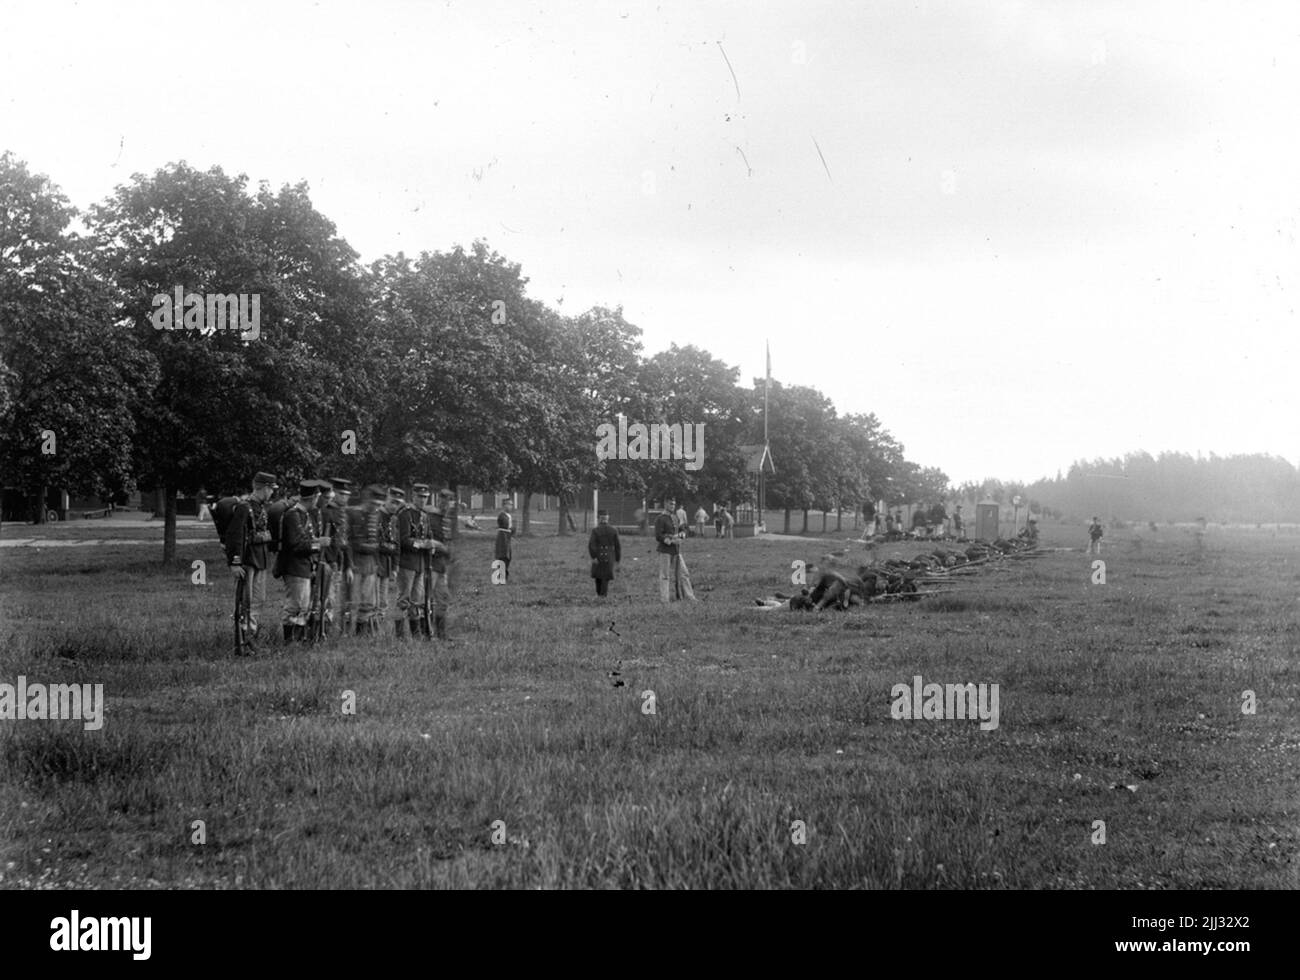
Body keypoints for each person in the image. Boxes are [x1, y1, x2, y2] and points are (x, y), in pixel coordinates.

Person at [222, 471, 277, 652]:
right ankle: (243, 640)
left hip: (260, 559)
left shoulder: (260, 507)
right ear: (264, 488)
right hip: (247, 560)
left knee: (258, 600)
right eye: (271, 489)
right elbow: (234, 536)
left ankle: (251, 636)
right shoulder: (245, 507)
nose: (272, 493)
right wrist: (235, 563)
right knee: (246, 602)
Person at [276, 480, 328, 643]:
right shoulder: (293, 515)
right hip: (294, 567)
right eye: (317, 497)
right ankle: (290, 642)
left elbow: (306, 539)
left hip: (304, 566)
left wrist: (317, 542)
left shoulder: (304, 514)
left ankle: (299, 639)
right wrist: (319, 543)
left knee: (304, 606)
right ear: (312, 498)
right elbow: (296, 545)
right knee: (295, 606)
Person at [347, 485, 385, 636]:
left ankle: (361, 633)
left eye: (378, 505)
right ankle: (346, 633)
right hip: (356, 562)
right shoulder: (353, 514)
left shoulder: (377, 516)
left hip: (370, 564)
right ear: (367, 500)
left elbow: (379, 540)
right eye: (373, 504)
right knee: (352, 602)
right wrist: (349, 565)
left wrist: (378, 563)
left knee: (368, 602)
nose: (375, 507)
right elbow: (348, 542)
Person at [395, 484, 432, 639]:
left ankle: (416, 634)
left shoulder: (425, 516)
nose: (422, 500)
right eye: (420, 497)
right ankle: (400, 634)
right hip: (407, 562)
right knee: (404, 599)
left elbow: (428, 536)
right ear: (413, 497)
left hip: (421, 564)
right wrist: (421, 544)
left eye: (425, 497)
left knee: (417, 600)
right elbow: (403, 540)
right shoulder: (405, 514)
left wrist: (431, 545)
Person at [322, 477, 352, 635]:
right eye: (342, 494)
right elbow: (325, 538)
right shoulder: (326, 511)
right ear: (335, 494)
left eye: (347, 494)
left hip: (340, 560)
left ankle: (333, 629)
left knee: (337, 597)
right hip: (328, 559)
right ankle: (323, 629)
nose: (345, 498)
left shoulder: (344, 513)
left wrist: (348, 566)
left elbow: (345, 542)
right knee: (328, 597)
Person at [426, 489, 455, 640]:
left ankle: (441, 633)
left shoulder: (447, 520)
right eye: (443, 501)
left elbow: (448, 541)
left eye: (448, 502)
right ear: (439, 501)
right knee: (428, 600)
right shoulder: (431, 517)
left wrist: (449, 553)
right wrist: (441, 548)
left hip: (442, 565)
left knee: (443, 600)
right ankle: (428, 633)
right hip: (430, 564)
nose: (445, 505)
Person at [655, 497, 697, 602]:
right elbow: (658, 535)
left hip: (677, 550)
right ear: (665, 504)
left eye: (674, 504)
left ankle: (689, 597)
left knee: (684, 573)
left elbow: (682, 529)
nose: (672, 506)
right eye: (670, 504)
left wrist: (682, 534)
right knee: (665, 575)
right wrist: (671, 540)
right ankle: (664, 599)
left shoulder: (675, 517)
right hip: (665, 550)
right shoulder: (660, 518)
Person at [375, 487, 402, 633]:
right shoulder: (376, 516)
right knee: (372, 599)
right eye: (392, 502)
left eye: (397, 503)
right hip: (374, 563)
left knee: (383, 601)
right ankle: (369, 629)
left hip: (386, 565)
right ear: (385, 500)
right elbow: (376, 543)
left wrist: (395, 567)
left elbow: (397, 545)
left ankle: (379, 628)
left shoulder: (394, 520)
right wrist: (389, 547)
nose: (394, 506)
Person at [588, 508, 621, 596]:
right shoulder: (613, 530)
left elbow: (591, 544)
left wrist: (594, 556)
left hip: (598, 555)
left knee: (598, 576)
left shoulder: (595, 531)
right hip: (609, 556)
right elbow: (618, 546)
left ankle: (599, 594)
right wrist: (617, 559)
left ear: (599, 518)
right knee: (605, 577)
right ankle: (603, 595)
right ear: (607, 518)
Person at [495, 498, 514, 580]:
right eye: (509, 504)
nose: (511, 506)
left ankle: (504, 573)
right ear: (504, 505)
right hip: (503, 537)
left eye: (512, 505)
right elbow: (505, 525)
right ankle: (502, 575)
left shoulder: (508, 515)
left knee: (508, 556)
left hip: (507, 536)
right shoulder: (502, 515)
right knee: (503, 555)